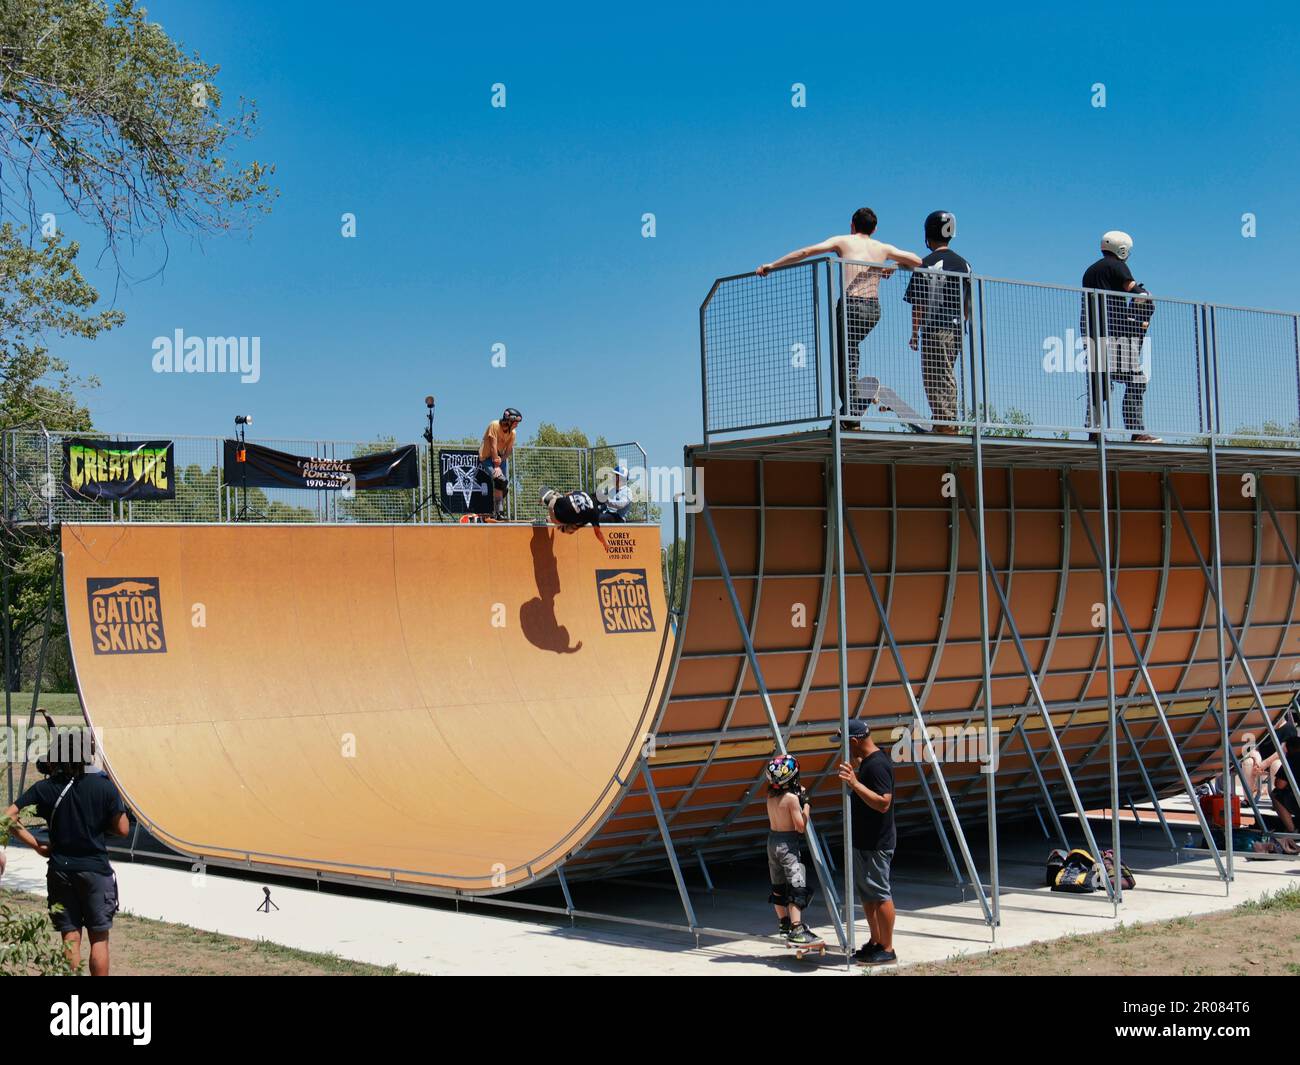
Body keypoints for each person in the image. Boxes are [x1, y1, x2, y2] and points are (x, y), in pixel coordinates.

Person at [757, 208, 922, 424]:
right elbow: (917, 260)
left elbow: (806, 252)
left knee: (844, 357)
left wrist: (772, 265)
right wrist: (895, 265)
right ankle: (853, 403)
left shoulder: (843, 241)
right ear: (874, 229)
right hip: (873, 310)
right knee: (850, 350)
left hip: (851, 305)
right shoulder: (883, 248)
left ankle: (850, 411)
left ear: (852, 225)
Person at [3, 725, 129, 976]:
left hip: (60, 870)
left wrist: (37, 845)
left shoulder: (46, 788)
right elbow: (123, 829)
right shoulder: (103, 786)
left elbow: (6, 818)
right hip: (95, 869)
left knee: (70, 937)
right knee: (99, 938)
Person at [1080, 232, 1160, 443]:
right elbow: (1134, 289)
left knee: (1100, 384)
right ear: (1122, 249)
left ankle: (1095, 433)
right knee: (1136, 379)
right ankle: (1137, 432)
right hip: (1113, 334)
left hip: (1091, 332)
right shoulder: (1117, 266)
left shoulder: (1090, 271)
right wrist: (1145, 297)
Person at [903, 211, 971, 434]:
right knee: (947, 372)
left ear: (929, 233)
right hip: (956, 327)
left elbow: (918, 303)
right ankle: (944, 420)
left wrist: (915, 332)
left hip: (935, 328)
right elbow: (967, 302)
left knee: (935, 375)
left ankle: (946, 423)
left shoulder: (927, 263)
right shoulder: (965, 264)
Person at [836, 719, 896, 965]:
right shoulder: (870, 762)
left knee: (880, 893)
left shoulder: (878, 765)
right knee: (868, 894)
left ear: (854, 740)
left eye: (845, 743)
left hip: (877, 842)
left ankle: (888, 947)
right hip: (864, 840)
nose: (845, 748)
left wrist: (855, 783)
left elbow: (883, 803)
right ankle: (875, 941)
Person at [764, 754, 819, 946]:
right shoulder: (791, 799)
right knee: (797, 884)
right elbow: (800, 826)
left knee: (778, 885)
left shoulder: (770, 796)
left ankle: (784, 923)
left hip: (772, 842)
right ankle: (797, 928)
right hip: (788, 844)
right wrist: (806, 804)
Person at [479, 407, 522, 519]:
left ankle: (499, 513)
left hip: (500, 458)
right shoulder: (494, 425)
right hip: (486, 457)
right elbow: (493, 447)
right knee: (499, 480)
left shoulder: (513, 433)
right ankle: (495, 510)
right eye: (515, 423)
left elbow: (508, 451)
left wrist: (501, 460)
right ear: (509, 421)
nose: (517, 425)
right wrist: (496, 466)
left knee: (502, 484)